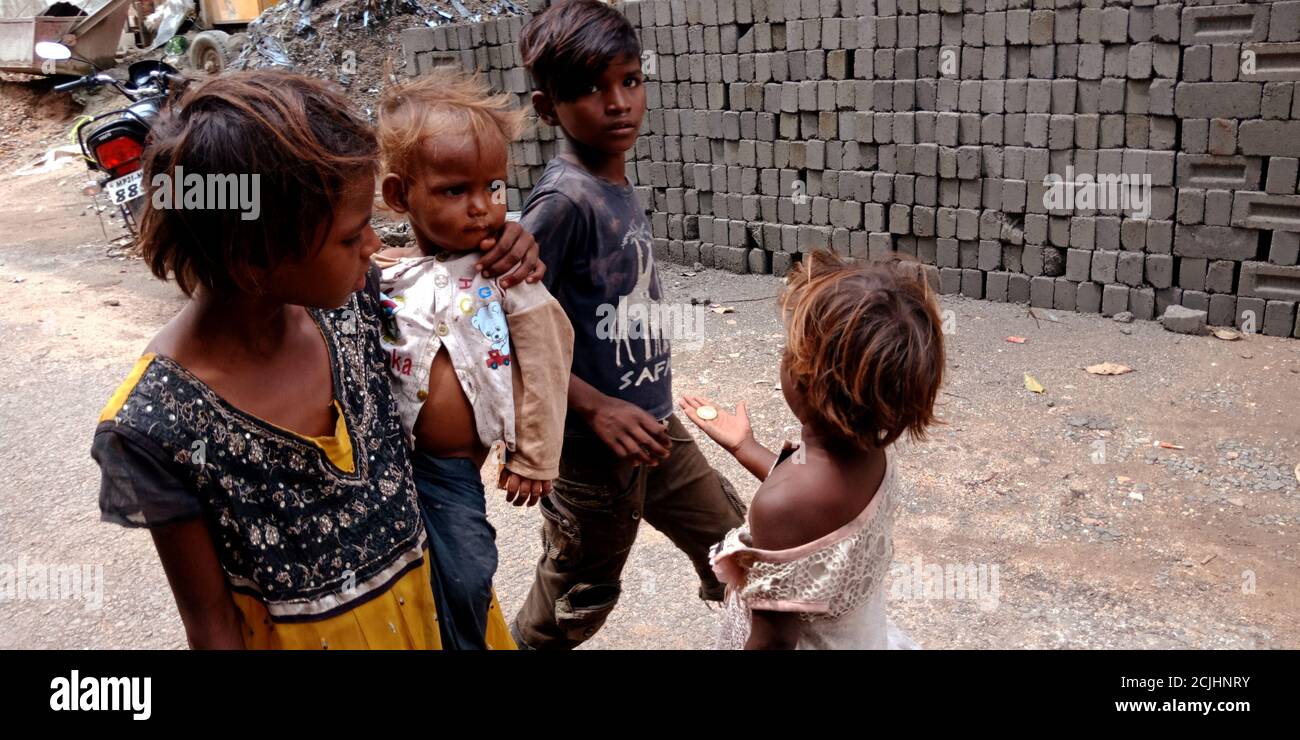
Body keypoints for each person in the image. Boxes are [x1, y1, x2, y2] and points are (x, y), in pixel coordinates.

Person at [91, 70, 542, 649]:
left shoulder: (355, 303)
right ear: (254, 254)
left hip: (435, 623)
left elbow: (448, 277)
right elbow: (212, 628)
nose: (375, 247)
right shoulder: (157, 425)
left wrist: (512, 244)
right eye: (353, 237)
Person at [511, 0, 746, 649]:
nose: (617, 103)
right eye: (590, 88)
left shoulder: (610, 180)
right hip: (594, 459)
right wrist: (596, 410)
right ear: (546, 107)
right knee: (573, 605)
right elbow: (504, 326)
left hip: (655, 426)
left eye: (629, 80)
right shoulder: (563, 202)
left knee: (737, 547)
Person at [373, 66, 574, 649]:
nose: (483, 207)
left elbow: (548, 355)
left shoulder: (505, 272)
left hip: (450, 468)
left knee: (465, 573)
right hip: (386, 463)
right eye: (455, 191)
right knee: (404, 578)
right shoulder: (389, 275)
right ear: (397, 196)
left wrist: (534, 456)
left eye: (494, 187)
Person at [683, 251, 945, 650]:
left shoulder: (781, 506)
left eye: (790, 351)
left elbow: (772, 642)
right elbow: (819, 517)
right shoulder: (869, 452)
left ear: (809, 382)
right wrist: (746, 447)